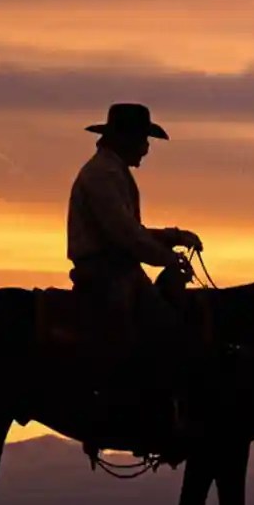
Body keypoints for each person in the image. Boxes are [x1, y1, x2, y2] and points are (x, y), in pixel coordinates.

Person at [65, 102, 204, 460]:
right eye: (143, 139)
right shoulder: (103, 176)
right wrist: (166, 256)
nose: (147, 147)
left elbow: (130, 231)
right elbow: (124, 234)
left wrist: (172, 236)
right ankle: (143, 421)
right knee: (165, 331)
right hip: (108, 275)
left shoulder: (110, 172)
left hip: (119, 272)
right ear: (124, 139)